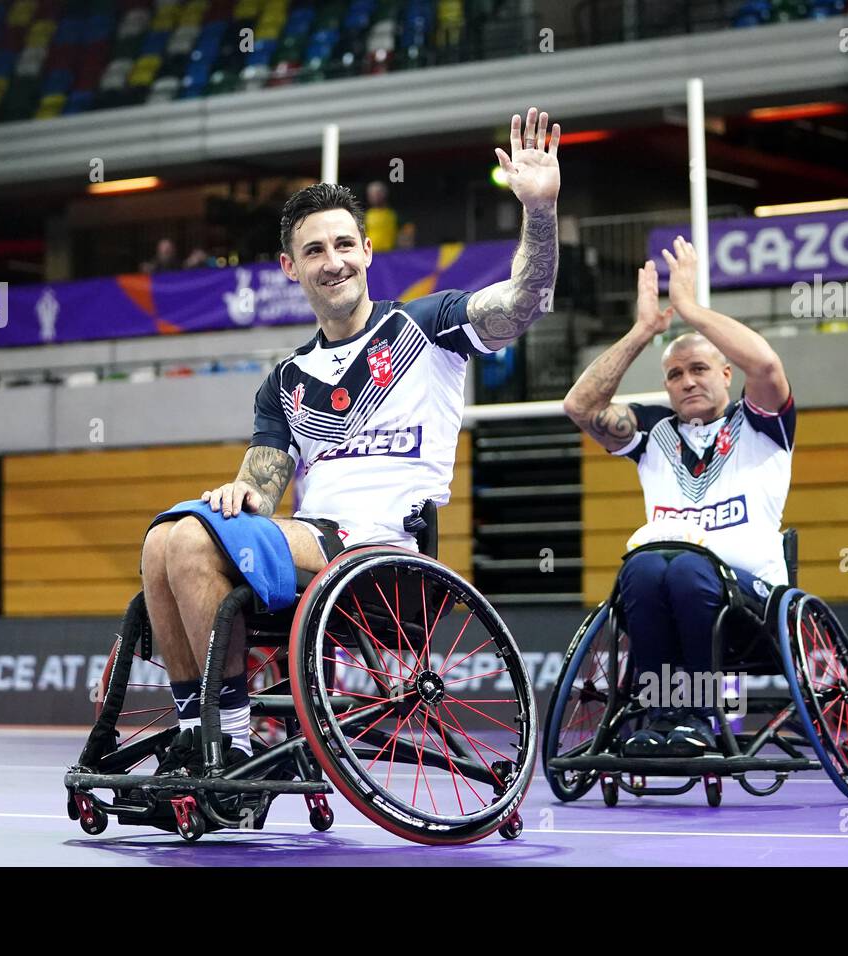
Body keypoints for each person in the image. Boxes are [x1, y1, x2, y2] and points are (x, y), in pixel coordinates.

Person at [140, 108, 561, 771]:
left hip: (387, 557)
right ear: (290, 267)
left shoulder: (429, 326)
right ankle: (199, 731)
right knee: (164, 540)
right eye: (314, 250)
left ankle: (234, 739)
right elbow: (259, 491)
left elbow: (526, 301)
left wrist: (539, 212)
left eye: (343, 245)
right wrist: (237, 492)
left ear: (368, 251)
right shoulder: (285, 380)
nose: (332, 262)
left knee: (190, 537)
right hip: (314, 550)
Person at [564, 239, 794, 756]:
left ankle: (698, 714)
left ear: (726, 375)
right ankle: (658, 715)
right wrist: (643, 332)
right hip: (667, 586)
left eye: (699, 369)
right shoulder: (652, 432)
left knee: (689, 570)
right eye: (674, 373)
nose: (687, 381)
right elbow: (579, 405)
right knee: (643, 571)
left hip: (752, 604)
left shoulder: (759, 423)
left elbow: (768, 368)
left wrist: (690, 310)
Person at [364, 181, 399, 253]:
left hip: (389, 253)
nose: (374, 197)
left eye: (377, 194)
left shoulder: (393, 214)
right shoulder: (366, 215)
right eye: (371, 194)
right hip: (371, 253)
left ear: (384, 194)